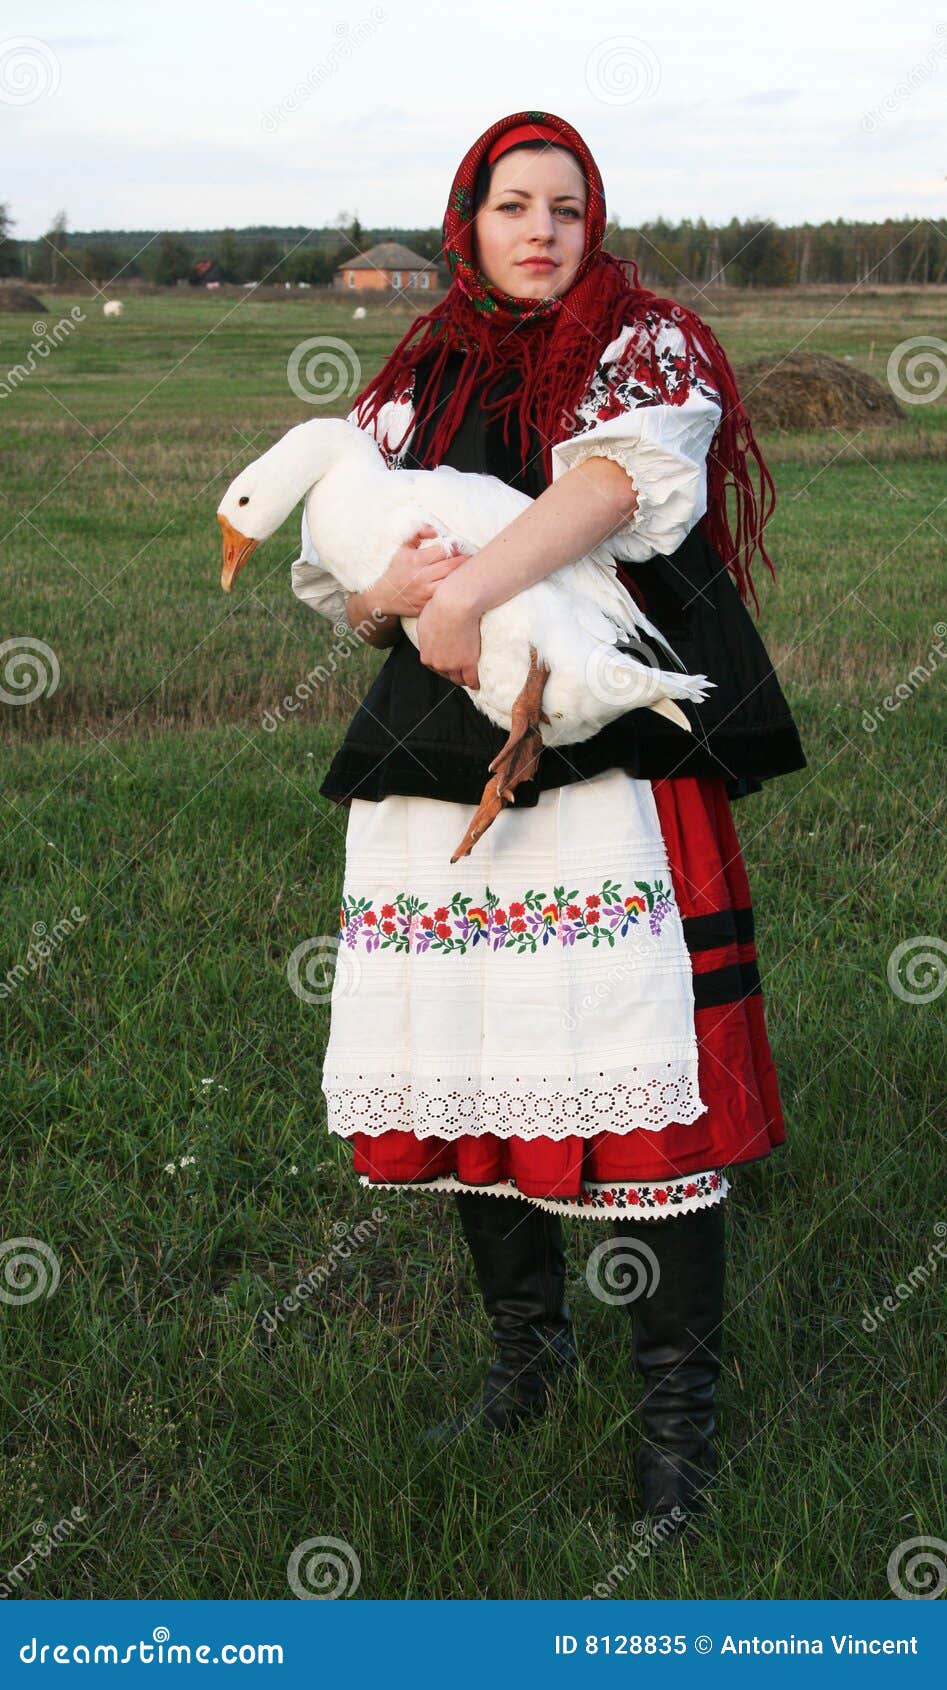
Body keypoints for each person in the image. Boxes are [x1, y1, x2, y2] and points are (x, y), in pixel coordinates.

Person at [291, 111, 807, 1533]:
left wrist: (467, 589)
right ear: (467, 220)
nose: (541, 230)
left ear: (595, 221)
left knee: (636, 1076)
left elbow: (615, 486)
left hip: (608, 753)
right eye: (513, 204)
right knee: (478, 1060)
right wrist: (403, 588)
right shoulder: (414, 378)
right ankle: (526, 1364)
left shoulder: (646, 341)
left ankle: (677, 1437)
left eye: (566, 207)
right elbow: (340, 572)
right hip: (444, 744)